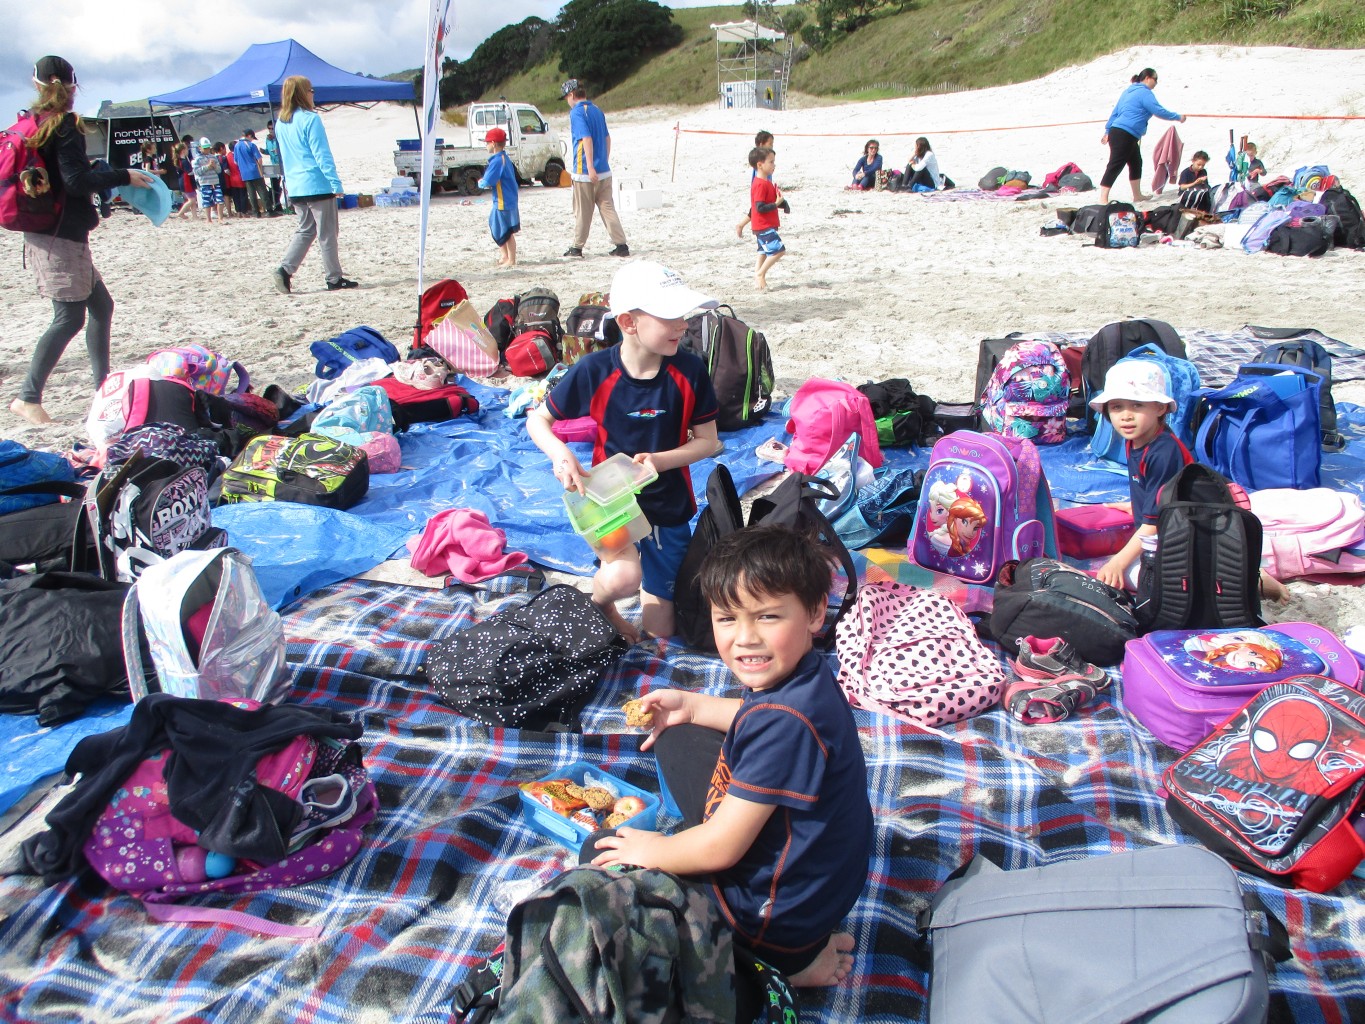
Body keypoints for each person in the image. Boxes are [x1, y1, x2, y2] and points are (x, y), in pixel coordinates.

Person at [588, 524, 873, 988]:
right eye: (727, 618)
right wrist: (694, 705)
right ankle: (801, 940)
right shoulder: (805, 678)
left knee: (600, 855)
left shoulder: (785, 725)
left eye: (767, 618)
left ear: (816, 612)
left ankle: (782, 967)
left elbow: (722, 847)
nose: (744, 639)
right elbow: (754, 716)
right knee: (678, 735)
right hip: (821, 886)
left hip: (773, 916)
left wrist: (655, 850)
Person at [526, 259, 721, 641]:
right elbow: (538, 420)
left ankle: (647, 602)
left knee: (661, 631)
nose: (683, 325)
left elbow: (709, 441)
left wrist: (661, 461)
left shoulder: (690, 371)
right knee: (623, 576)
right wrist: (560, 455)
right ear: (629, 323)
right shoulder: (594, 370)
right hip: (608, 503)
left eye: (684, 315)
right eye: (670, 316)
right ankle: (601, 607)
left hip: (667, 504)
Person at [10, 55, 156, 425]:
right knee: (69, 317)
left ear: (36, 84)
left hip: (50, 231)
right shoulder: (64, 125)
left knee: (101, 306)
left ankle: (102, 387)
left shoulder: (31, 123)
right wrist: (124, 175)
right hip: (60, 235)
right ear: (73, 86)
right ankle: (28, 397)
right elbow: (74, 181)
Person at [1092, 361, 1193, 591]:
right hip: (1162, 531)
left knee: (1129, 577)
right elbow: (1157, 493)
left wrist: (1118, 561)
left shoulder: (1163, 452)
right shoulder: (1136, 441)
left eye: (1137, 405)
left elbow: (1156, 522)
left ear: (1160, 408)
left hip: (1184, 538)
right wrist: (1137, 504)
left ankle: (1254, 579)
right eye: (1117, 407)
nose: (1126, 416)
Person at [271, 75, 357, 293]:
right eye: (311, 91)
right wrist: (335, 182)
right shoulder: (310, 119)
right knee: (327, 233)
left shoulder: (281, 122)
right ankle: (334, 277)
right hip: (316, 183)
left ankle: (285, 270)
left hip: (296, 185)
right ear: (303, 93)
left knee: (305, 230)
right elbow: (321, 153)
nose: (313, 95)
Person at [561, 79, 629, 259]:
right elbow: (607, 138)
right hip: (604, 171)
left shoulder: (576, 112)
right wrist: (603, 162)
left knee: (583, 211)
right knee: (608, 208)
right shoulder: (597, 110)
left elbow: (586, 139)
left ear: (571, 95)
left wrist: (590, 167)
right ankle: (621, 245)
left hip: (585, 172)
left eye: (566, 97)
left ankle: (577, 247)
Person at [1099, 68, 1185, 206]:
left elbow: (1115, 113)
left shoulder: (1128, 91)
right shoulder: (1144, 92)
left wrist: (1108, 131)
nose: (1156, 82)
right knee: (1115, 164)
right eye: (1155, 79)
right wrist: (1178, 117)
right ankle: (1103, 198)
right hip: (1124, 133)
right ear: (1147, 78)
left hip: (1124, 133)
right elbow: (1158, 110)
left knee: (1136, 162)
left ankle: (1137, 195)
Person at [477, 126, 519, 268]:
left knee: (506, 230)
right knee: (496, 225)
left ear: (494, 143)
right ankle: (505, 255)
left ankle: (511, 259)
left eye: (487, 142)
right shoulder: (503, 158)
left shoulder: (498, 160)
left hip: (504, 200)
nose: (486, 145)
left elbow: (489, 180)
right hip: (505, 199)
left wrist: (480, 183)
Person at [750, 146, 789, 290]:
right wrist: (776, 203)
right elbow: (760, 207)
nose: (774, 165)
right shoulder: (760, 184)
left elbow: (769, 201)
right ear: (760, 165)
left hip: (764, 225)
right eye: (771, 162)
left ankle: (758, 279)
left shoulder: (765, 182)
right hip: (763, 225)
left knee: (762, 252)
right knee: (779, 250)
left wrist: (783, 204)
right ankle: (760, 274)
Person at [735, 129, 774, 236]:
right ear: (761, 144)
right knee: (757, 208)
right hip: (760, 187)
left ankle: (741, 225)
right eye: (770, 144)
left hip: (764, 186)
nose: (772, 147)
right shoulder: (760, 160)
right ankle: (741, 225)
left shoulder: (766, 159)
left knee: (756, 209)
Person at [233, 128, 270, 217]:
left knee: (251, 193)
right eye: (252, 137)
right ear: (249, 136)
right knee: (262, 191)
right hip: (254, 171)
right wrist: (260, 169)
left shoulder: (236, 146)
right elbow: (259, 158)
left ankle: (256, 212)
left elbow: (236, 162)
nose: (252, 139)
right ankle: (269, 210)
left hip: (244, 173)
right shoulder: (251, 145)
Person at [192, 138, 224, 226]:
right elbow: (196, 172)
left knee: (220, 200)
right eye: (205, 148)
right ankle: (208, 219)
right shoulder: (197, 159)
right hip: (205, 182)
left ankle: (220, 218)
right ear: (200, 148)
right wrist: (207, 167)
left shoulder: (213, 157)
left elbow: (219, 170)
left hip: (215, 181)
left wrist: (214, 166)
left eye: (208, 148)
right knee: (207, 201)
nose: (206, 150)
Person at [263, 122, 284, 213]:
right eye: (269, 128)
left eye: (272, 128)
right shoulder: (268, 139)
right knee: (274, 185)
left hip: (282, 164)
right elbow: (268, 151)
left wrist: (278, 150)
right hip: (273, 164)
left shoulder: (281, 137)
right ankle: (277, 205)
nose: (271, 130)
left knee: (284, 185)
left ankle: (286, 204)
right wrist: (264, 151)